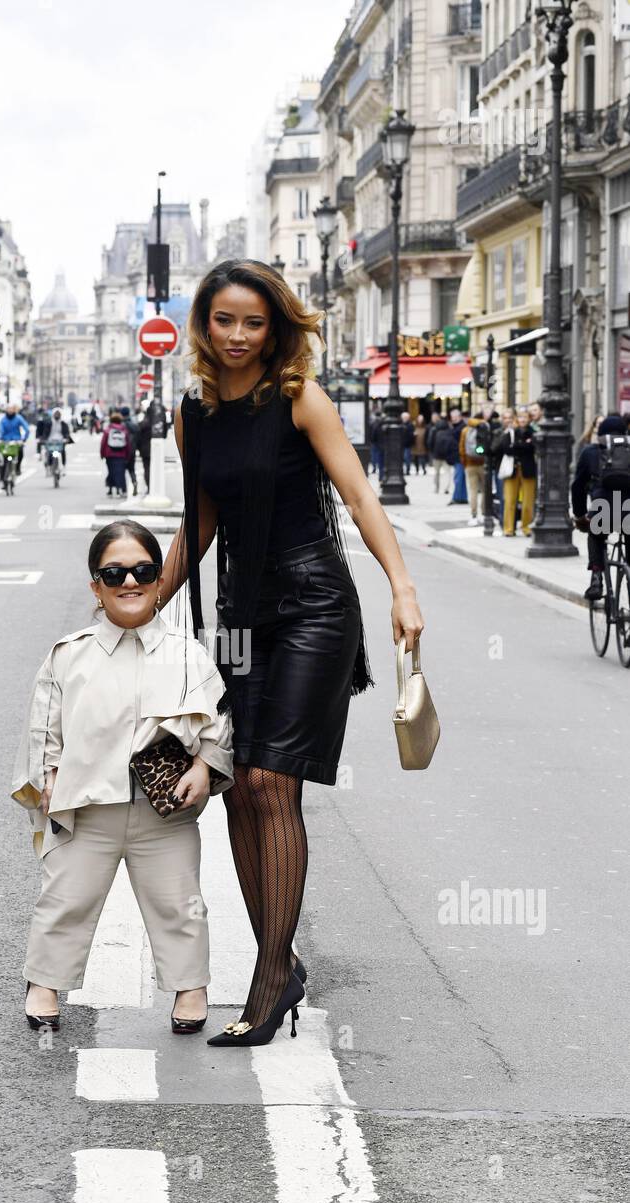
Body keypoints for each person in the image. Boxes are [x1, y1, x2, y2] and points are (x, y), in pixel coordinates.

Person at [160, 257, 424, 1047]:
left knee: (273, 780)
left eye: (255, 322)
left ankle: (271, 977)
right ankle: (282, 956)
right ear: (204, 325)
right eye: (225, 320)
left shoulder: (300, 397)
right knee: (237, 788)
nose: (239, 335)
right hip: (241, 615)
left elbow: (358, 495)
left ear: (275, 328)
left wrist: (401, 587)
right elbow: (199, 524)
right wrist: (138, 606)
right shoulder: (194, 414)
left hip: (313, 605)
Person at [11, 519, 234, 1034]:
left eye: (143, 571)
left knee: (179, 904)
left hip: (165, 811)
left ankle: (190, 987)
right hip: (86, 806)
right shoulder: (69, 655)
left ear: (160, 581)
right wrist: (48, 778)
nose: (129, 582)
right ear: (96, 586)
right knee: (66, 899)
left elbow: (219, 723)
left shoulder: (189, 655)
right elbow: (44, 727)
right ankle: (45, 983)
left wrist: (205, 768)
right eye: (114, 574)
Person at [571, 414, 629, 599]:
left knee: (596, 535)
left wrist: (580, 516)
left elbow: (578, 486)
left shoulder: (590, 451)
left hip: (603, 508)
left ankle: (596, 577)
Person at [499, 407, 536, 537]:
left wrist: (517, 445)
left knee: (528, 502)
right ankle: (508, 528)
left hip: (528, 470)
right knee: (509, 500)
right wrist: (524, 445)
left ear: (529, 419)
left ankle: (526, 527)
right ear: (516, 419)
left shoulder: (533, 433)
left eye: (525, 417)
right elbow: (506, 449)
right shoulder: (511, 433)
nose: (522, 420)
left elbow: (533, 448)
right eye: (520, 417)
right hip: (512, 470)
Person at [459, 409, 489, 525]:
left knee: (473, 491)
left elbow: (461, 449)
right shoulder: (485, 427)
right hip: (483, 463)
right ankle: (484, 513)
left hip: (470, 464)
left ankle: (474, 515)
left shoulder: (465, 430)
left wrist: (465, 463)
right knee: (485, 490)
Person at [100, 410, 134, 498]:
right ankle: (121, 490)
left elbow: (103, 443)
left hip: (109, 455)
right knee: (120, 473)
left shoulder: (108, 430)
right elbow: (128, 444)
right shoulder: (124, 430)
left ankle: (110, 490)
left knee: (111, 472)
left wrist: (102, 454)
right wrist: (128, 455)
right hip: (121, 455)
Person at [0, 401, 30, 486]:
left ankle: (17, 468)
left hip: (16, 440)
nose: (10, 410)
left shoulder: (18, 418)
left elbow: (26, 428)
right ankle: (3, 479)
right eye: (8, 409)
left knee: (20, 453)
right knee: (4, 461)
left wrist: (23, 439)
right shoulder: (3, 420)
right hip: (6, 441)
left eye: (11, 409)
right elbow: (0, 430)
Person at [119, 406, 141, 496]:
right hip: (132, 451)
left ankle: (123, 489)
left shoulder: (120, 425)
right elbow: (138, 438)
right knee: (132, 469)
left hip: (122, 451)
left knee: (121, 470)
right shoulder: (134, 425)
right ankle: (134, 482)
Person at [426, 409, 447, 492]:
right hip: (441, 453)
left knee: (437, 472)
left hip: (436, 453)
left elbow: (429, 441)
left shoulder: (433, 429)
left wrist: (431, 450)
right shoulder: (446, 427)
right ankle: (444, 488)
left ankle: (437, 488)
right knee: (444, 472)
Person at [369, 403, 384, 479]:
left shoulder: (373, 423)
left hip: (375, 443)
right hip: (382, 444)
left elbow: (372, 433)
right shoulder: (383, 423)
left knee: (374, 456)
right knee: (381, 459)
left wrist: (372, 440)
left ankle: (375, 468)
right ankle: (381, 474)